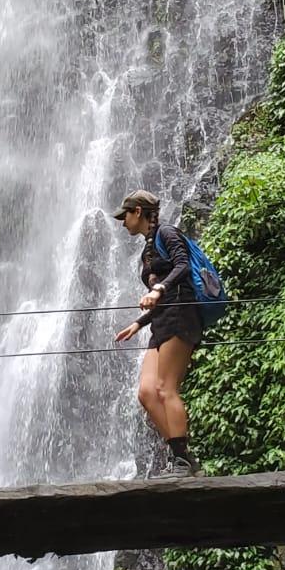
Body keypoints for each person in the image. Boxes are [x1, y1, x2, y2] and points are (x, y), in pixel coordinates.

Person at [112, 189, 202, 476]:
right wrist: (139, 323)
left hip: (181, 316)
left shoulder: (168, 233)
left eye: (124, 215)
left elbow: (183, 267)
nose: (122, 221)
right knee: (147, 393)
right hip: (161, 320)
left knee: (166, 389)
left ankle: (183, 463)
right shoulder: (148, 248)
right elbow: (161, 295)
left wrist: (158, 289)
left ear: (137, 211)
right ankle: (182, 456)